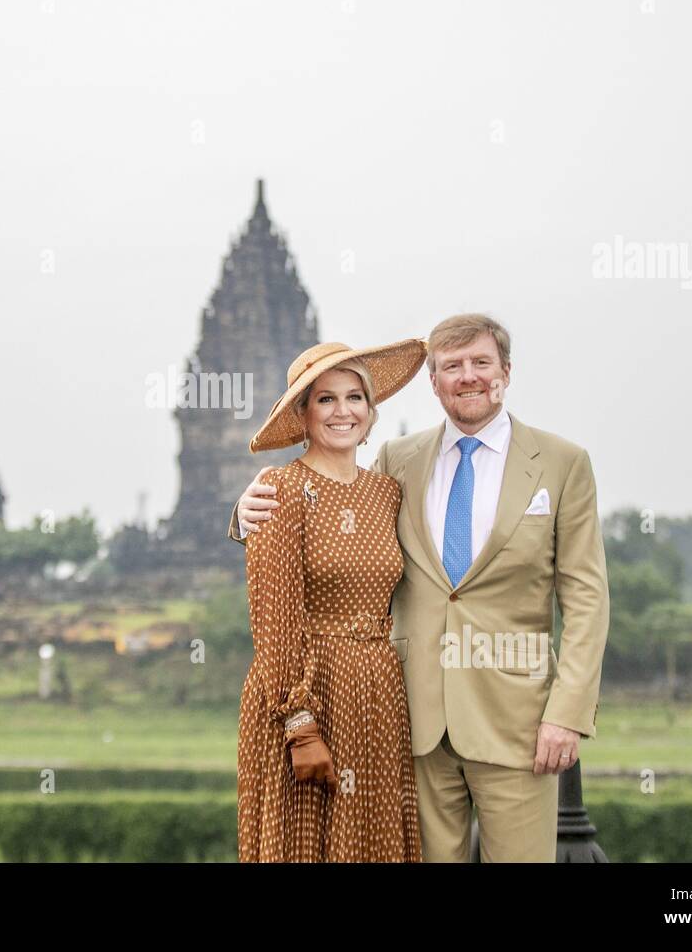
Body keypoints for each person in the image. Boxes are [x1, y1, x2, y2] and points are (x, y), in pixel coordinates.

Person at [232, 313, 610, 862]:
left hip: (514, 722)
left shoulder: (560, 463)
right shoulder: (400, 464)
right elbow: (304, 531)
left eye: (481, 363)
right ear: (433, 382)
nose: (467, 376)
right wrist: (243, 517)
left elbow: (587, 598)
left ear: (506, 371)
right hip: (409, 721)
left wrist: (567, 713)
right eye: (451, 366)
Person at [236, 337, 426, 862]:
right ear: (303, 413)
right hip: (305, 688)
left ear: (371, 410)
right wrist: (299, 724)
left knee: (374, 837)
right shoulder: (281, 489)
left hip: (378, 690)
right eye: (325, 399)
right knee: (307, 843)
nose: (342, 411)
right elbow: (273, 616)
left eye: (354, 397)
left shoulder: (387, 493)